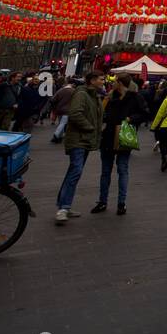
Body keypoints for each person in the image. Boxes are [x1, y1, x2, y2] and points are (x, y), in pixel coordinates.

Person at [54, 72, 106, 223]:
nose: (104, 81)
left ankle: (64, 205)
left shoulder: (94, 95)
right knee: (76, 171)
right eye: (101, 79)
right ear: (92, 80)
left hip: (85, 139)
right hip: (79, 139)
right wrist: (90, 128)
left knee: (73, 171)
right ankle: (63, 207)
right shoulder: (82, 94)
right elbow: (75, 114)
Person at [93, 74, 144, 215]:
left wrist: (131, 118)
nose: (112, 83)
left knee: (122, 170)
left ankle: (121, 203)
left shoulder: (134, 97)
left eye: (115, 81)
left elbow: (145, 113)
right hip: (108, 137)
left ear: (120, 83)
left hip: (123, 137)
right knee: (105, 172)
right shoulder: (109, 97)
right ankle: (102, 201)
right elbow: (102, 114)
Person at [48, 77, 76, 144]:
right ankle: (56, 135)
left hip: (59, 109)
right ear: (72, 84)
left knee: (61, 123)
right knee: (63, 123)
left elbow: (53, 99)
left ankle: (59, 138)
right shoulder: (74, 91)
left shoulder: (60, 90)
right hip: (68, 110)